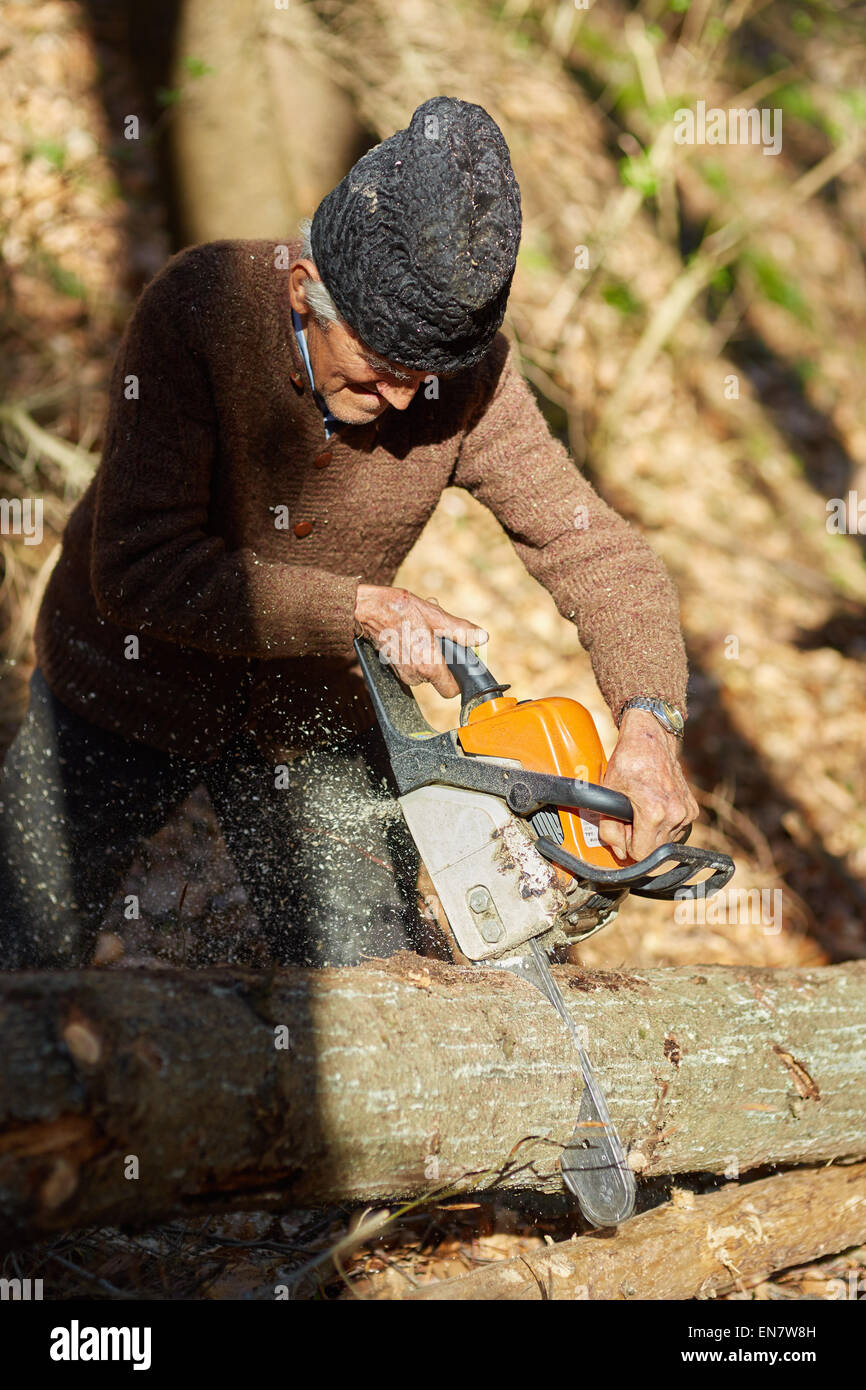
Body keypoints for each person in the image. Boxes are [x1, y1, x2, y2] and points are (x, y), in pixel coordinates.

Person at [0, 96, 697, 970]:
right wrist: (359, 611)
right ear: (306, 291)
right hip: (119, 685)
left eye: (428, 378)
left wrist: (650, 723)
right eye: (381, 373)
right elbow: (140, 567)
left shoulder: (466, 379)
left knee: (379, 978)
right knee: (17, 941)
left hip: (309, 712)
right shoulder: (200, 309)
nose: (405, 403)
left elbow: (594, 548)